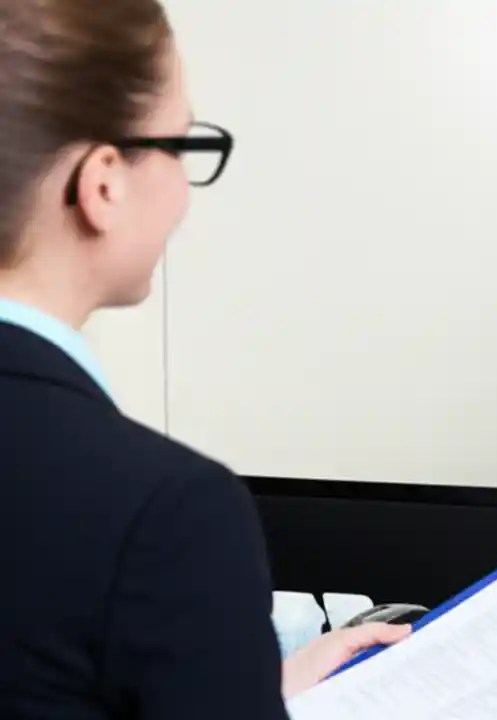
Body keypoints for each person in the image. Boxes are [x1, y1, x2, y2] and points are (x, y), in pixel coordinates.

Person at [0, 1, 408, 718]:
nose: (186, 192)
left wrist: (249, 678)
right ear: (102, 184)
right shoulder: (165, 513)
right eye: (182, 145)